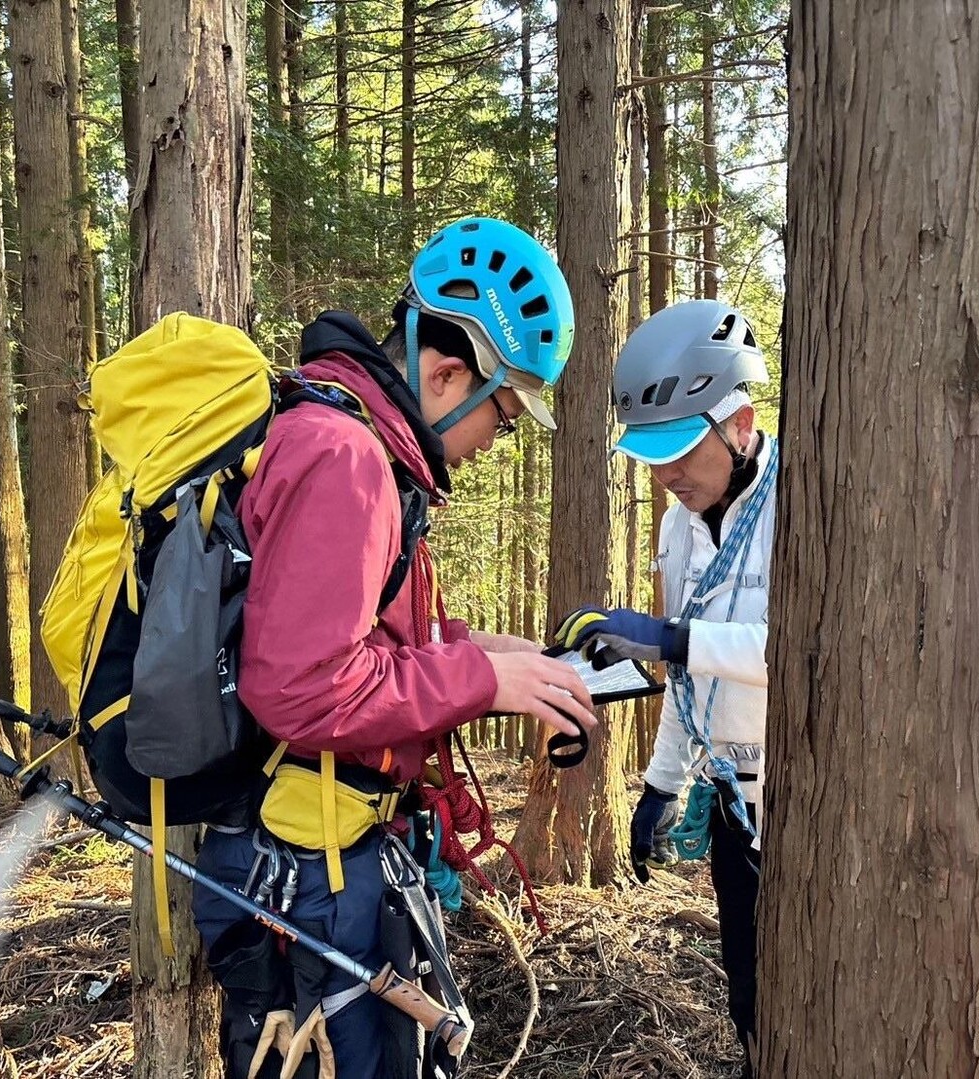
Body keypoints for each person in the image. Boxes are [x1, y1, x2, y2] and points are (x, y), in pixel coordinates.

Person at [192, 217, 598, 1079]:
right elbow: (303, 685)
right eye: (506, 412)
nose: (497, 440)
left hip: (318, 860)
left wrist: (487, 652)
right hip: (308, 874)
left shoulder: (356, 445)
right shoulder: (347, 458)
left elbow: (358, 635)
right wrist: (478, 675)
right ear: (449, 372)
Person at [554, 299, 775, 1078]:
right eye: (651, 453)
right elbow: (690, 673)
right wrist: (662, 784)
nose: (665, 473)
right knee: (750, 999)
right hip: (728, 804)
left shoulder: (806, 506)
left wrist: (672, 636)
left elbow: (811, 653)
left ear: (739, 424)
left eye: (680, 447)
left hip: (809, 806)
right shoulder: (679, 524)